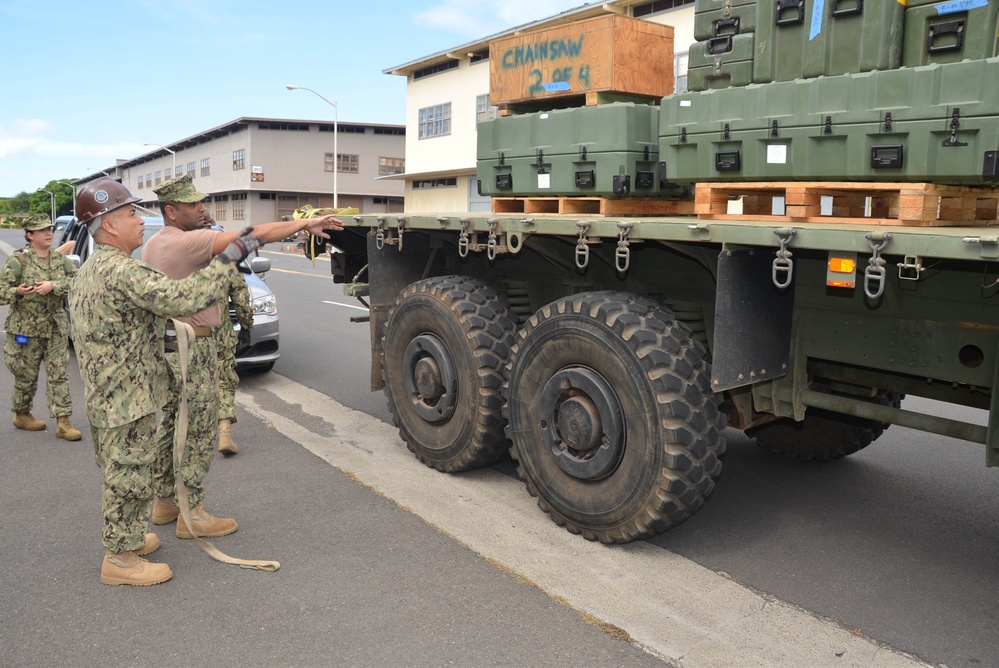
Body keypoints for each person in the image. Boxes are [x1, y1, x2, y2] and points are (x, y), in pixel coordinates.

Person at [68, 177, 258, 586]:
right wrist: (231, 255)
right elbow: (186, 298)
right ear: (109, 225)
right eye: (130, 214)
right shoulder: (121, 271)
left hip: (109, 392)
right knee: (128, 475)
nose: (140, 220)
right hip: (126, 395)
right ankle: (119, 560)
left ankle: (131, 539)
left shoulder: (91, 269)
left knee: (128, 469)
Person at [144, 173, 341, 539]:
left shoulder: (155, 243)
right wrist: (305, 224)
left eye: (201, 201)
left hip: (168, 345)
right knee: (198, 428)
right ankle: (192, 514)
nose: (201, 208)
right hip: (193, 348)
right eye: (192, 204)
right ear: (171, 211)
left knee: (172, 423)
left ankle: (166, 502)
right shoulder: (189, 241)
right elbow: (254, 234)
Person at [0, 213, 82, 440]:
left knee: (59, 374)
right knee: (26, 376)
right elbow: (1, 292)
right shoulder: (19, 261)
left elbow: (79, 282)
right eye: (42, 230)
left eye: (50, 229)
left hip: (55, 327)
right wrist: (17, 291)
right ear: (30, 235)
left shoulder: (61, 260)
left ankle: (63, 422)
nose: (48, 233)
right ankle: (22, 414)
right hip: (25, 329)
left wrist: (53, 285)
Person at [215, 261, 252, 456]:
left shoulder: (176, 252)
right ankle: (224, 434)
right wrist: (246, 326)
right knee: (224, 381)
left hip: (184, 334)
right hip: (219, 333)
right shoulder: (225, 260)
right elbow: (240, 297)